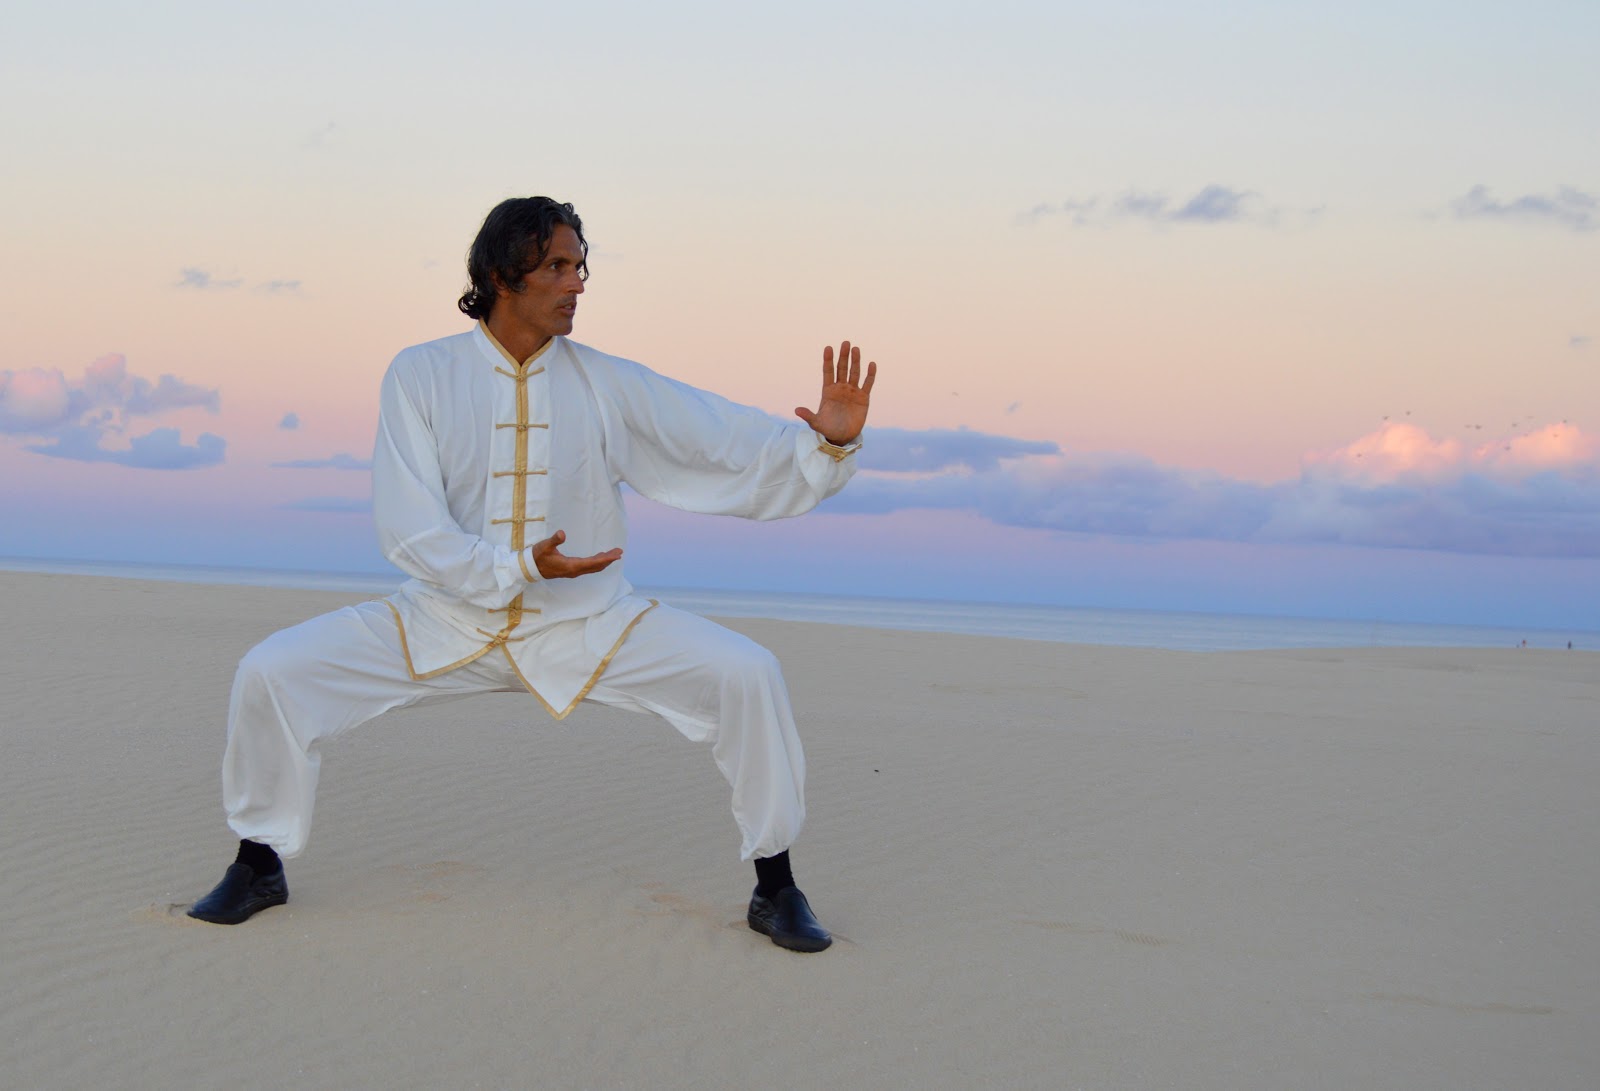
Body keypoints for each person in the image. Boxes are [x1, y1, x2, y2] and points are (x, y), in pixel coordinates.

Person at [187, 197, 877, 953]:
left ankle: (776, 885)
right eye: (556, 265)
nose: (576, 281)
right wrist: (515, 566)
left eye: (580, 265)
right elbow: (408, 527)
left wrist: (826, 449)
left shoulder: (607, 383)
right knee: (271, 672)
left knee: (751, 673)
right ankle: (258, 862)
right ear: (498, 273)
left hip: (588, 620)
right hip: (445, 616)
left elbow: (720, 439)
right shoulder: (419, 375)